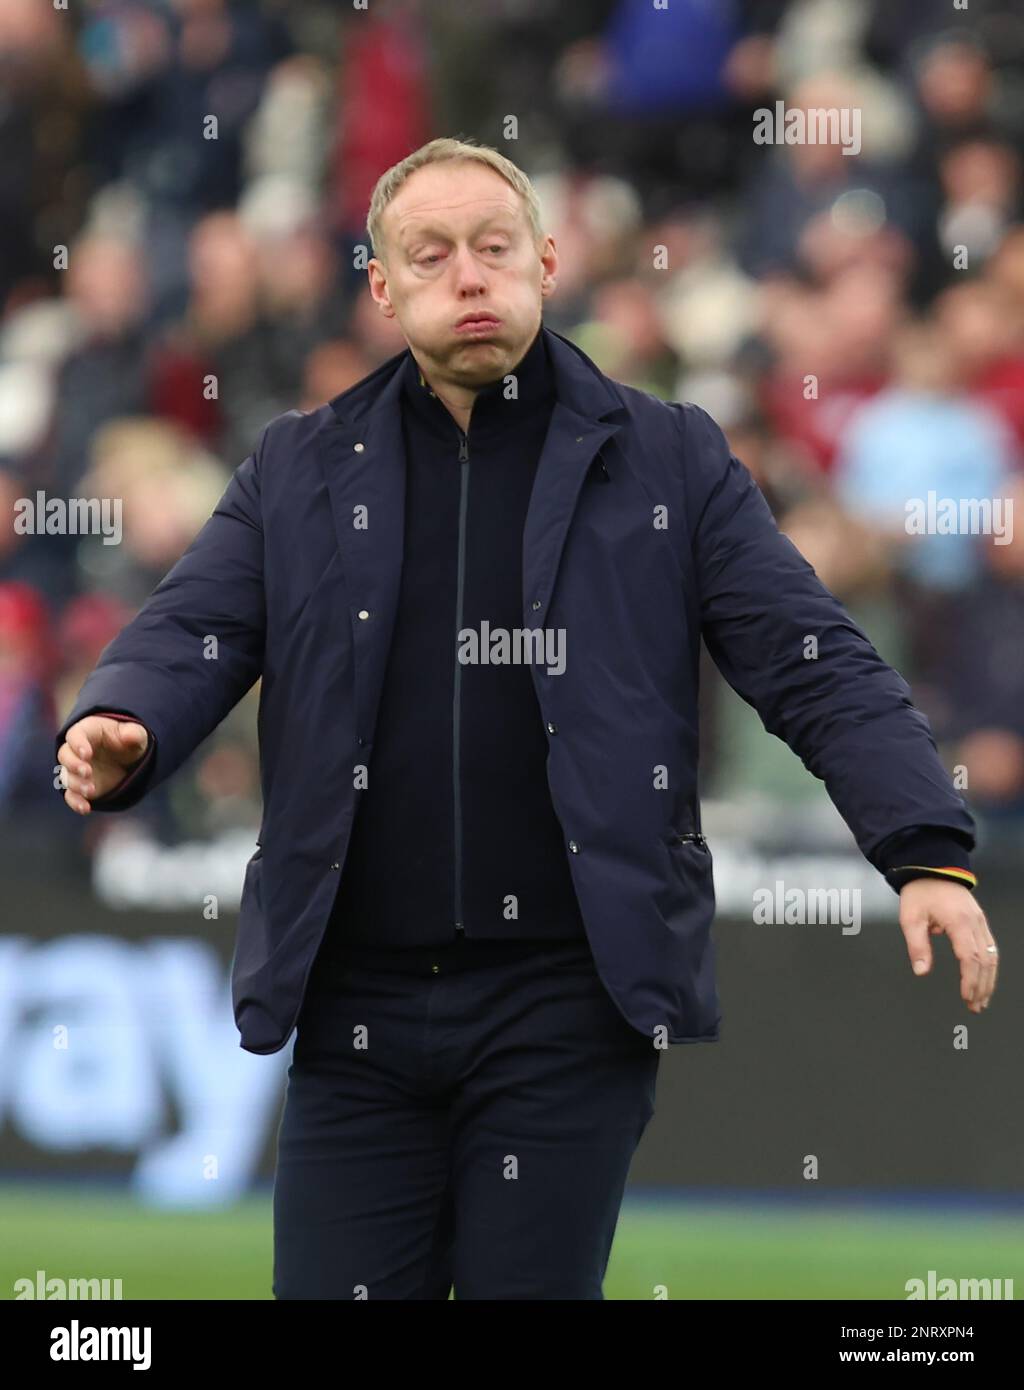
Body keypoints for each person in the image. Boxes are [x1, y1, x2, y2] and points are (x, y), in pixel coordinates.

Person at [54, 138, 999, 1300]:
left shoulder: (669, 460)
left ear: (547, 263)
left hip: (566, 1001)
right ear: (382, 287)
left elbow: (813, 662)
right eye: (432, 254)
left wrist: (924, 848)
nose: (468, 276)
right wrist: (124, 718)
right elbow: (191, 628)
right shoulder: (294, 469)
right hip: (353, 1008)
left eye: (494, 248)